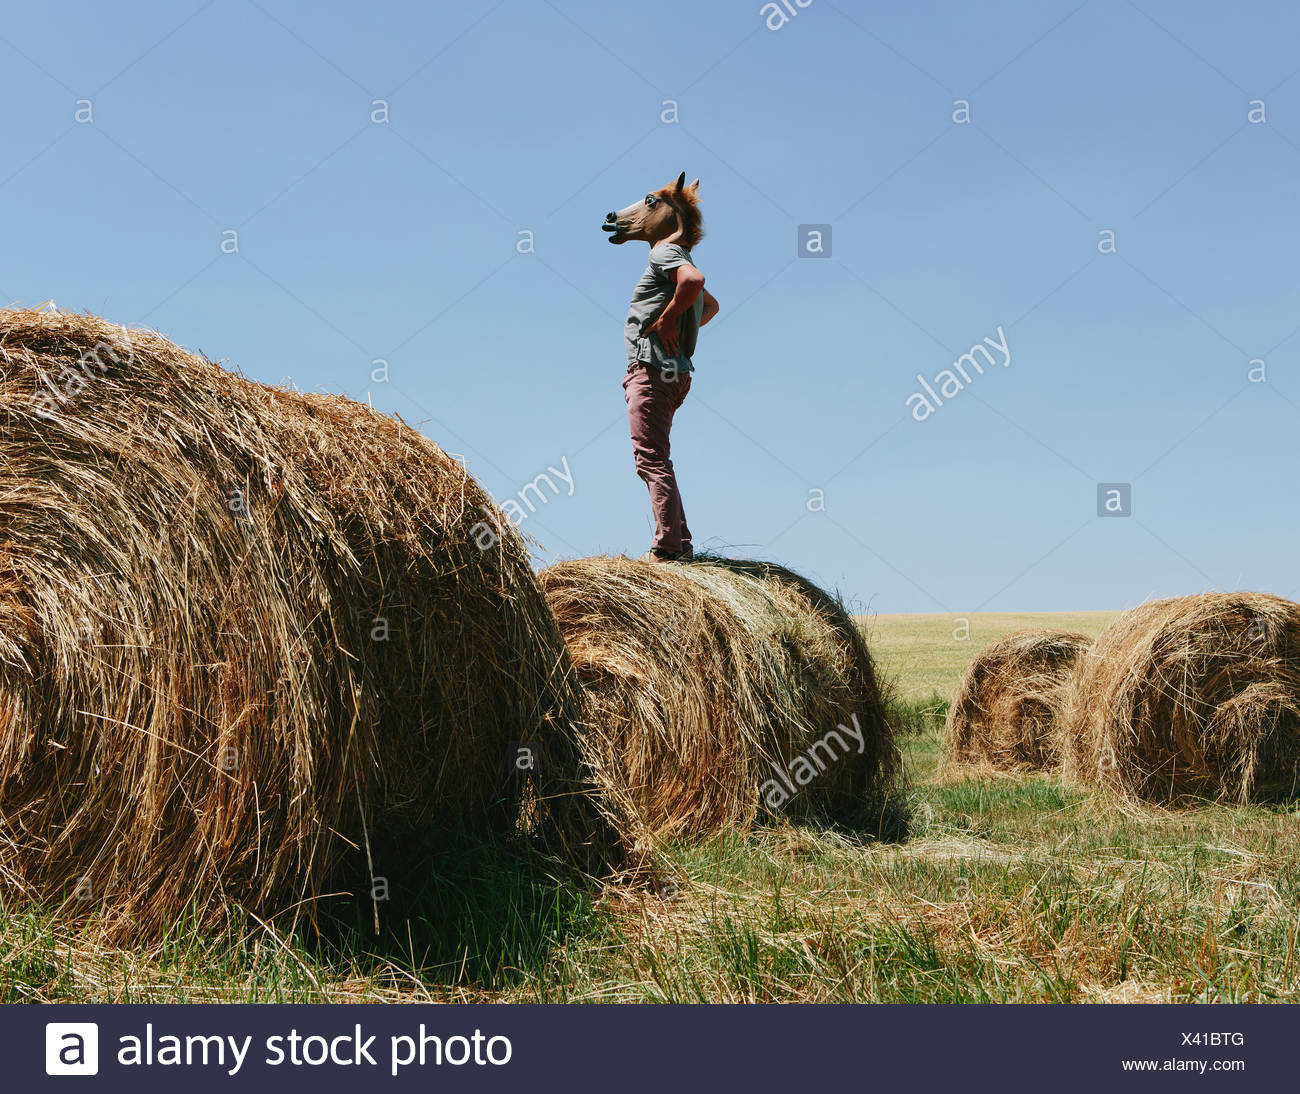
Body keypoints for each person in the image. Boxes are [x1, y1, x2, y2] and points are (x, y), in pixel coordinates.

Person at [601, 173, 719, 561]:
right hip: (676, 373)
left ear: (668, 213)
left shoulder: (663, 253)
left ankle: (667, 549)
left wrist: (668, 321)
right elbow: (710, 305)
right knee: (659, 457)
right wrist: (680, 323)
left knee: (649, 458)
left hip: (650, 370)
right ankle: (680, 542)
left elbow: (694, 281)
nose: (638, 210)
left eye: (649, 202)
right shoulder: (677, 256)